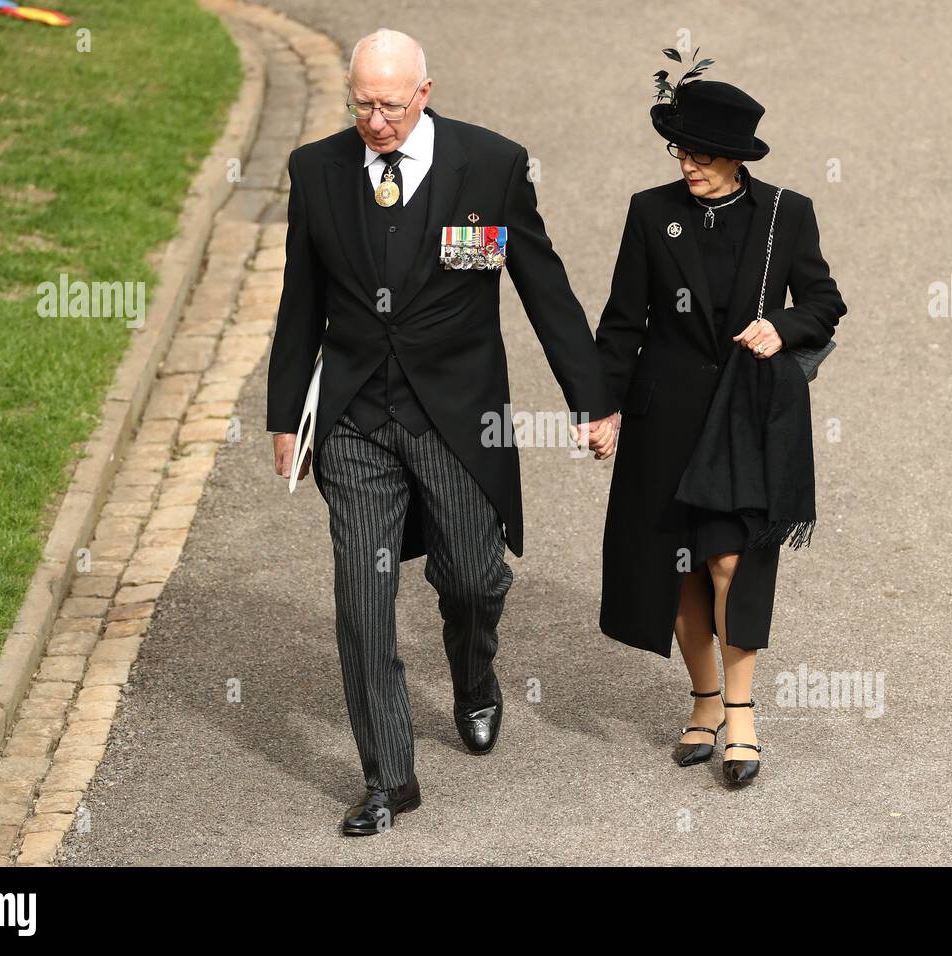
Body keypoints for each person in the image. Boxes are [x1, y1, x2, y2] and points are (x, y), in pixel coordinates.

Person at [266, 28, 614, 834]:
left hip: (459, 419)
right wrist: (287, 415)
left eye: (389, 105)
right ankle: (390, 777)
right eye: (362, 104)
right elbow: (300, 301)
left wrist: (590, 400)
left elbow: (545, 288)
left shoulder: (491, 166)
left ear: (425, 93)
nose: (375, 121)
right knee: (361, 599)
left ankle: (473, 676)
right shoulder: (317, 171)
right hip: (355, 419)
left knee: (472, 578)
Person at [590, 71, 846, 787]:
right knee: (681, 570)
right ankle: (702, 700)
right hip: (663, 419)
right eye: (680, 151)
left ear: (739, 156)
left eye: (701, 153)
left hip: (746, 419)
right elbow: (621, 321)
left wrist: (782, 325)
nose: (688, 165)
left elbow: (825, 300)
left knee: (733, 562)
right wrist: (600, 407)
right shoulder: (650, 213)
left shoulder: (787, 215)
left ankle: (740, 715)